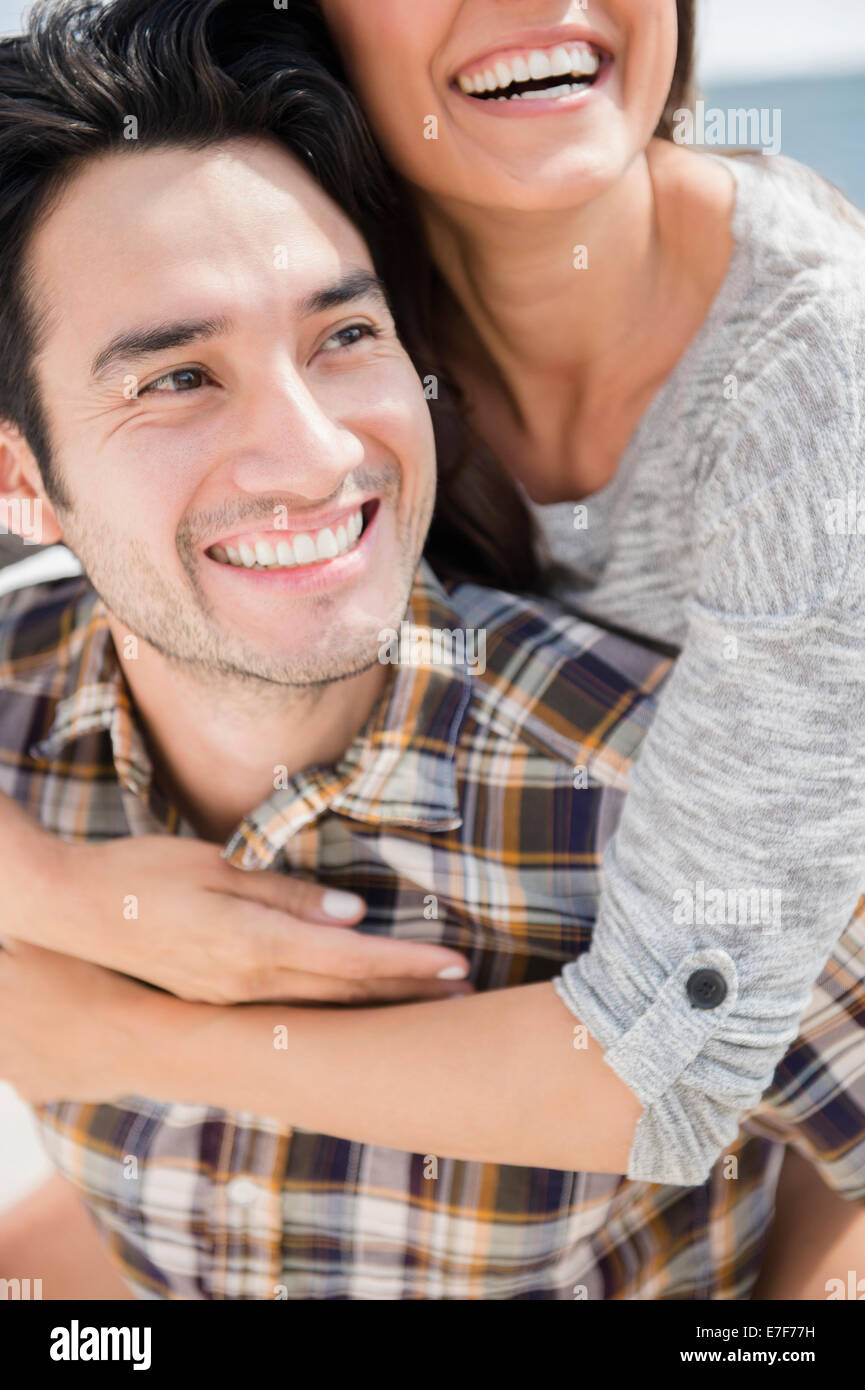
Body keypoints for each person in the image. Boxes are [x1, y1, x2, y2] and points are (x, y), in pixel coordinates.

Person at [0, 0, 863, 1301]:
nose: (312, 453)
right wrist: (58, 895)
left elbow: (670, 1068)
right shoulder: (33, 700)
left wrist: (128, 1035)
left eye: (344, 336)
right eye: (177, 376)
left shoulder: (638, 770)